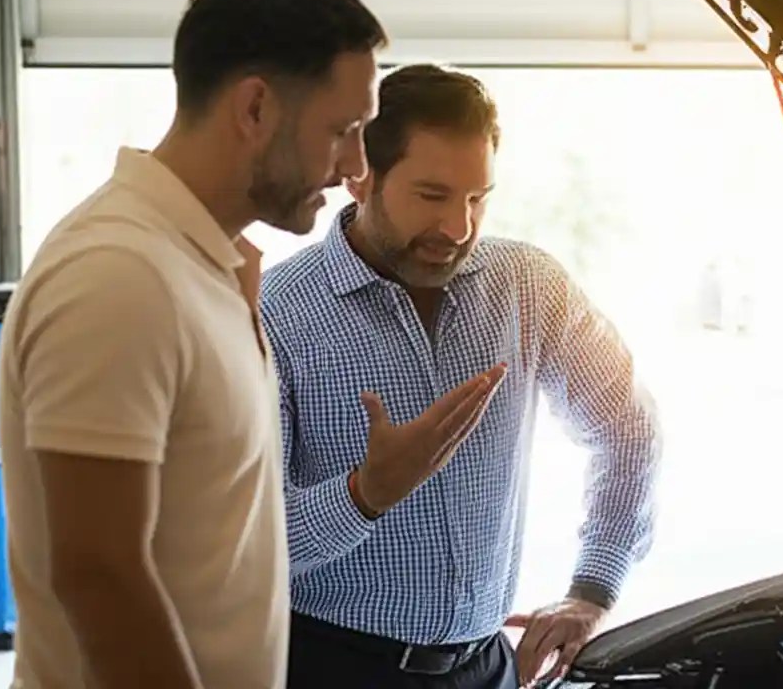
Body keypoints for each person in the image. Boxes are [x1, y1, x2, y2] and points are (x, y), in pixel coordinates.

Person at [0, 0, 403, 687]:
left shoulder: (208, 266)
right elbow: (98, 574)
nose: (356, 168)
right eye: (343, 131)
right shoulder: (120, 277)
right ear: (254, 107)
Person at [259, 64, 664, 689]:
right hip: (328, 667)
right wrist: (366, 494)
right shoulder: (274, 313)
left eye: (478, 198)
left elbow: (628, 427)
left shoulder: (528, 285)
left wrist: (593, 587)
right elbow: (252, 540)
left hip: (491, 669)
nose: (458, 228)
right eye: (432, 196)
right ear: (360, 177)